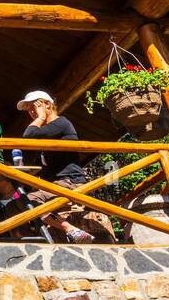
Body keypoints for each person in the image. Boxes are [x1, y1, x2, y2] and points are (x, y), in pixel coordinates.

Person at [13, 90, 114, 243]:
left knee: (28, 200)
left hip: (70, 182)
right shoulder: (46, 134)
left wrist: (41, 116)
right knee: (14, 206)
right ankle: (34, 243)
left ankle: (69, 229)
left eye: (34, 106)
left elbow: (28, 136)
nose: (32, 112)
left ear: (47, 104)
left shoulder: (61, 123)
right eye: (29, 110)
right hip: (54, 186)